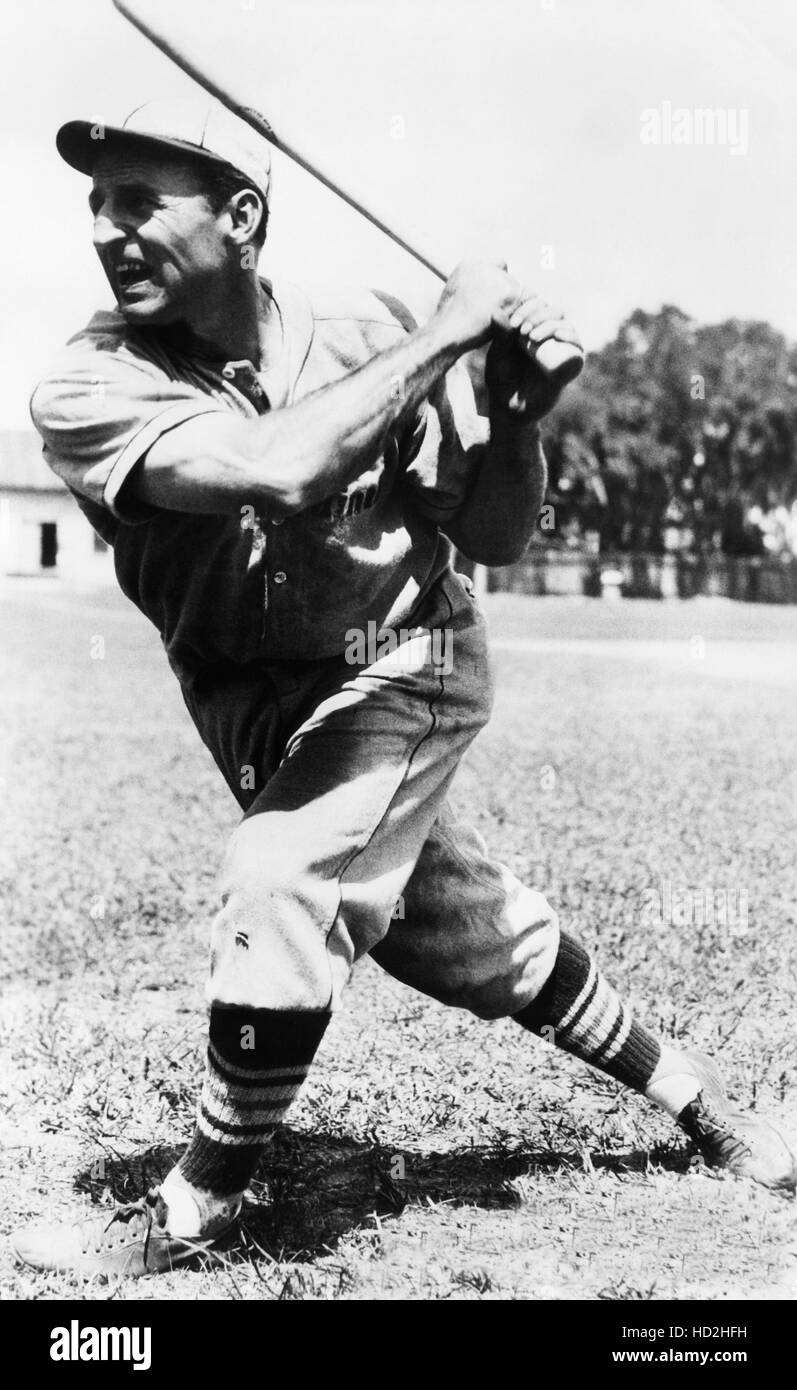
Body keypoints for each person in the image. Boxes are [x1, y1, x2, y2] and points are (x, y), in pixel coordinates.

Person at [13, 100, 794, 1281]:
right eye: (98, 206)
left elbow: (491, 532)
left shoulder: (363, 333)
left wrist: (515, 422)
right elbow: (278, 470)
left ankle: (196, 1208)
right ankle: (699, 1099)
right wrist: (449, 332)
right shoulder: (88, 385)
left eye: (139, 202)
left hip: (405, 656)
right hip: (251, 704)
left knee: (280, 875)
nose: (107, 230)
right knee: (469, 939)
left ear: (241, 217)